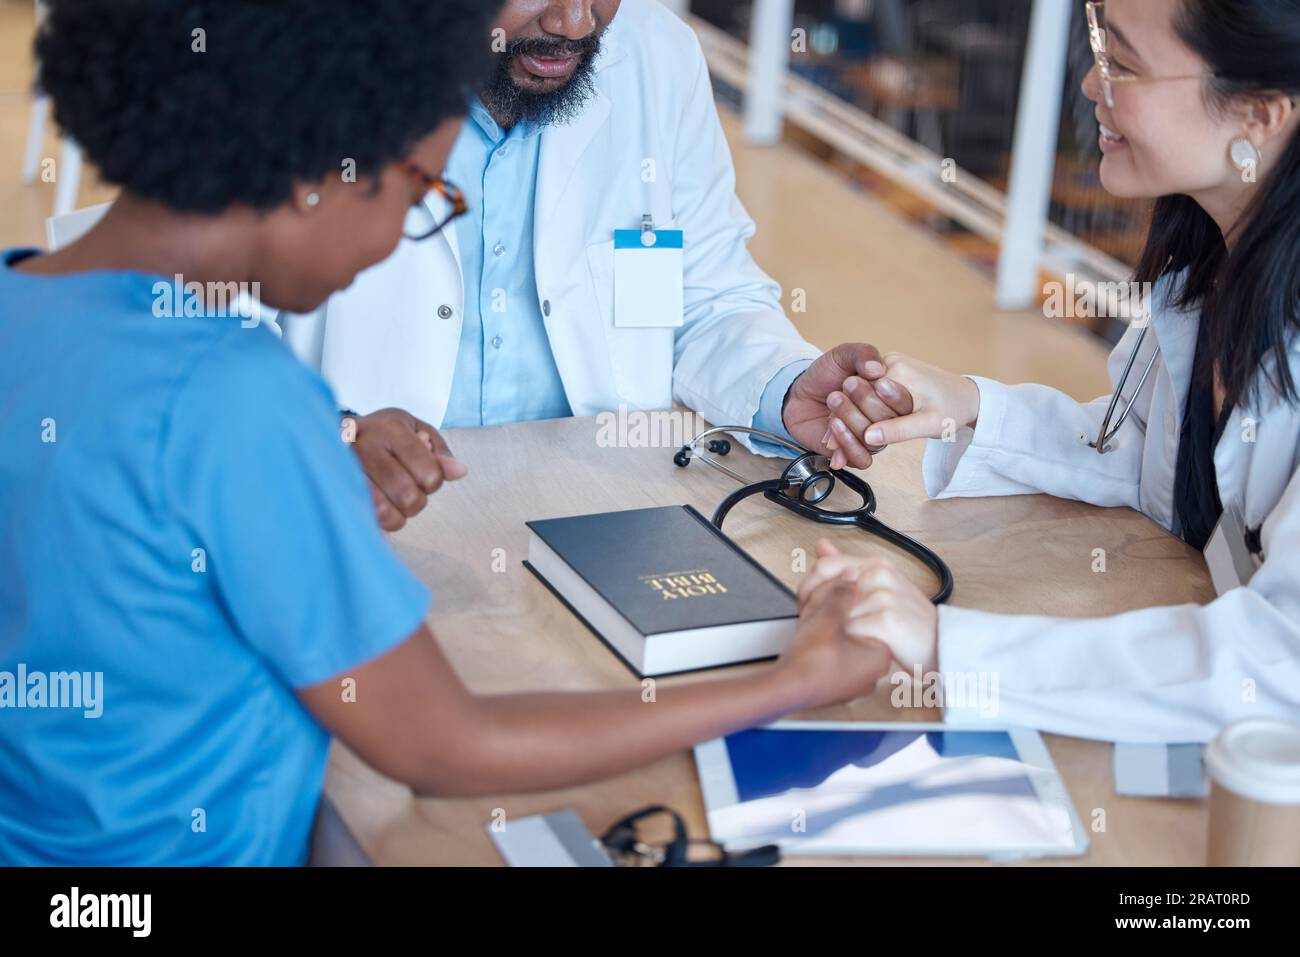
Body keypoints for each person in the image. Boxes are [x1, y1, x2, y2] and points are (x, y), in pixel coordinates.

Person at [0, 0, 894, 866]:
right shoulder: (241, 404)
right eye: (423, 193)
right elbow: (440, 744)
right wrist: (794, 682)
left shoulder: (22, 301)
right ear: (322, 165)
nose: (407, 233)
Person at [817, 0, 1300, 743]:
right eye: (1098, 46)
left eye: (1123, 64)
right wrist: (969, 405)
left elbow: (1278, 663)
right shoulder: (1219, 266)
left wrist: (954, 647)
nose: (1088, 84)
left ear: (1261, 113)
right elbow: (1166, 461)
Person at [276, 0, 907, 532]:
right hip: (366, 510)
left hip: (604, 498)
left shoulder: (657, 58)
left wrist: (783, 388)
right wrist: (324, 433)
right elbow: (214, 316)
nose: (575, 21)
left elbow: (708, 294)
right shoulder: (298, 61)